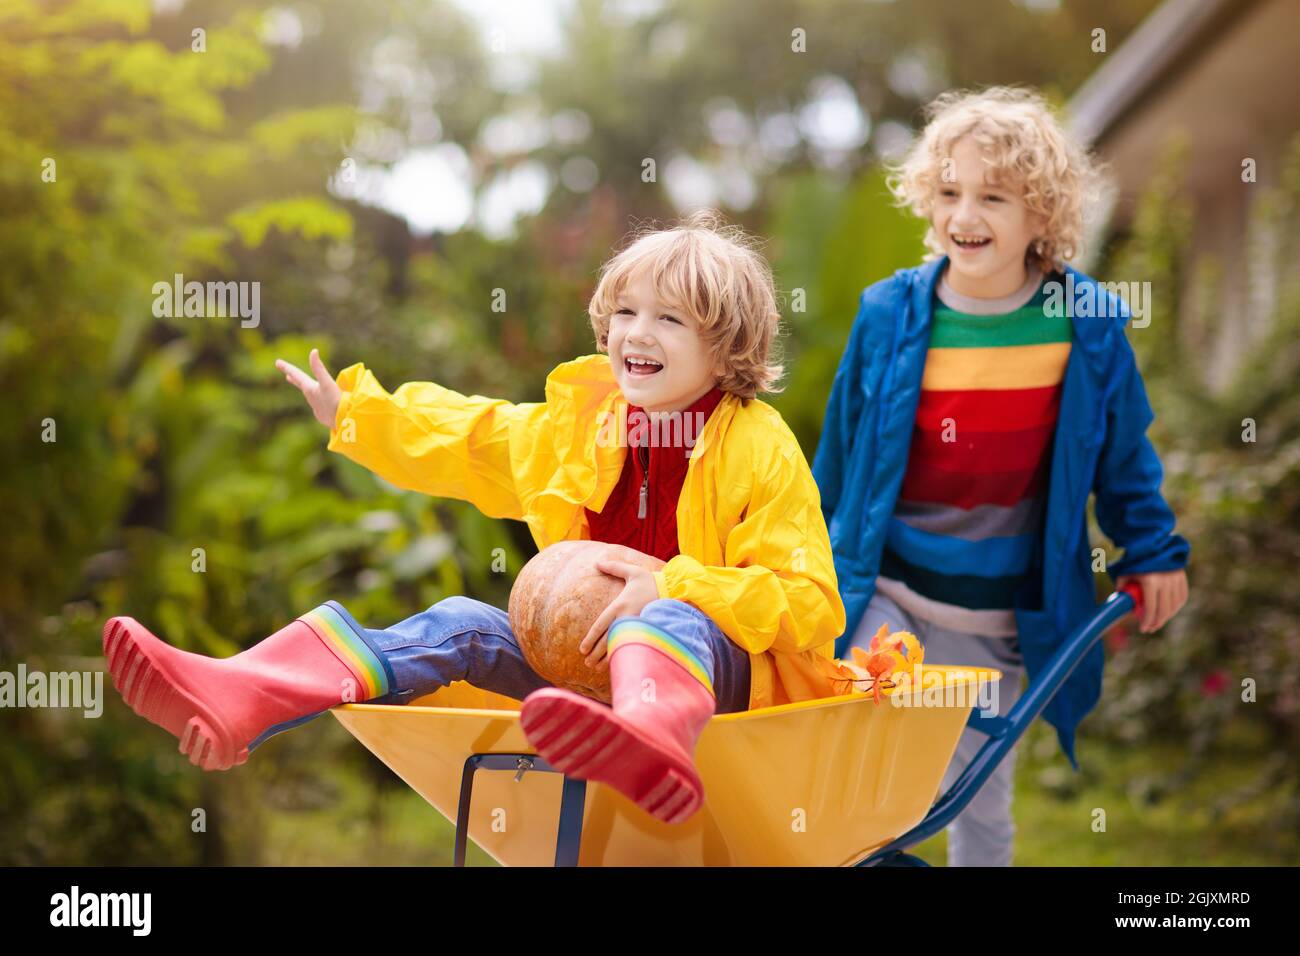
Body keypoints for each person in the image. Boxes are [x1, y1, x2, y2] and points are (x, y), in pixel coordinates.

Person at [102, 211, 852, 826]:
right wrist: (357, 415)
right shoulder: (584, 428)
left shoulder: (757, 445)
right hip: (583, 684)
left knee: (666, 619)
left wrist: (674, 586)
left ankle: (651, 742)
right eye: (624, 312)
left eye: (669, 319)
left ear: (726, 348)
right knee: (461, 620)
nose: (637, 333)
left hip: (722, 687)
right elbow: (472, 438)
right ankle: (246, 693)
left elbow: (811, 603)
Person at [813, 87, 1190, 864]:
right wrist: (801, 563)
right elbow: (841, 455)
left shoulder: (1085, 324)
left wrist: (1151, 552)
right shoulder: (889, 314)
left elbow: (1124, 457)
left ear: (1041, 215)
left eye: (992, 196)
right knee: (864, 772)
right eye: (948, 192)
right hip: (889, 592)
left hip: (1001, 616)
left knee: (980, 802)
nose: (964, 216)